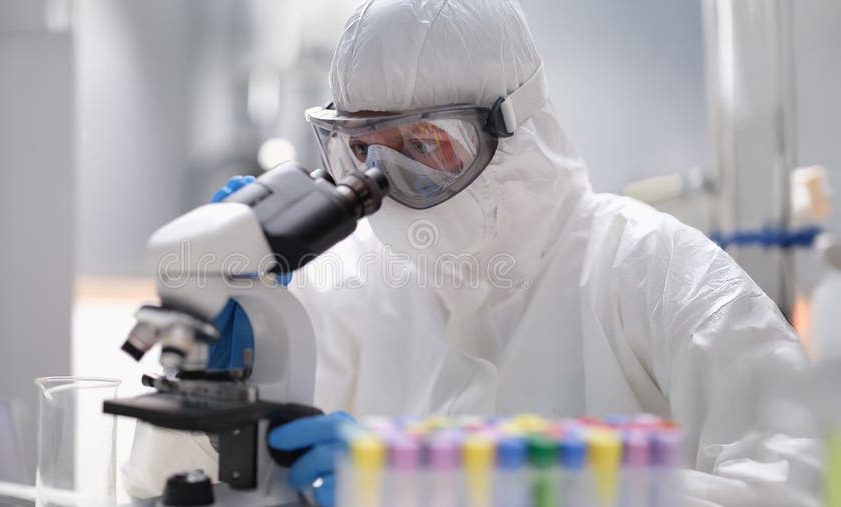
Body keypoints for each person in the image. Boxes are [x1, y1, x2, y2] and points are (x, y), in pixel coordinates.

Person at [126, 1, 817, 505]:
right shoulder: (342, 281)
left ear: (515, 126)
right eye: (364, 149)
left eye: (426, 146)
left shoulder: (656, 270)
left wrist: (479, 486)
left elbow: (795, 488)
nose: (388, 185)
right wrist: (221, 376)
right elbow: (161, 490)